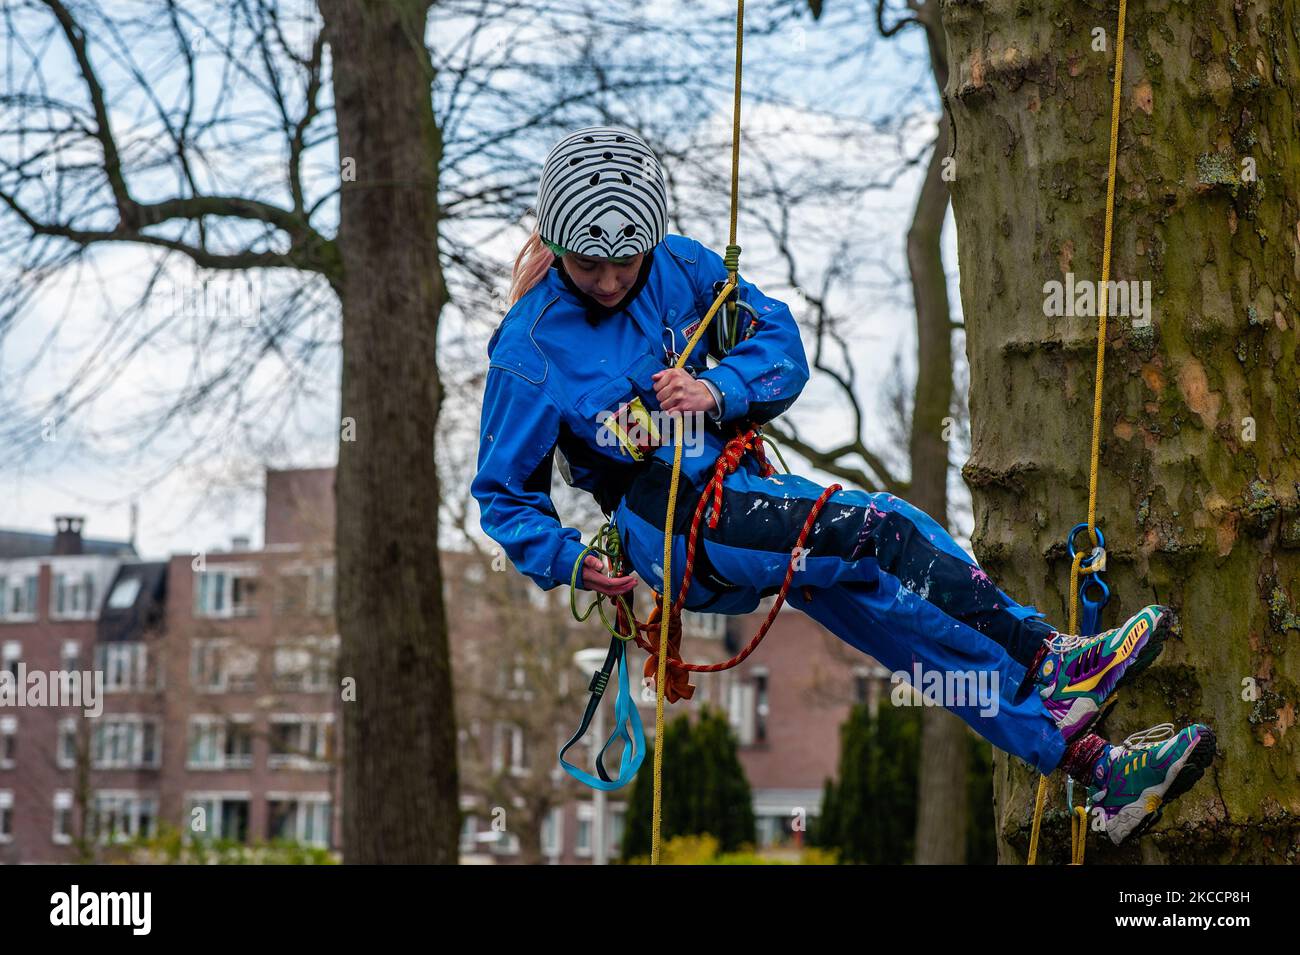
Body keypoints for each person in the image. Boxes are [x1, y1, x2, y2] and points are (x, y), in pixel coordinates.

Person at [471, 125, 1216, 846]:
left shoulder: (683, 266)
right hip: (670, 527)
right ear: (556, 246)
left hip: (741, 489)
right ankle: (1049, 658)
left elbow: (780, 343)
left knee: (897, 617)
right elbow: (504, 493)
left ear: (651, 242)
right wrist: (567, 559)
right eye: (587, 267)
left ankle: (1099, 774)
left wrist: (718, 389)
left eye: (625, 263)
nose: (608, 282)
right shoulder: (528, 350)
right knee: (880, 530)